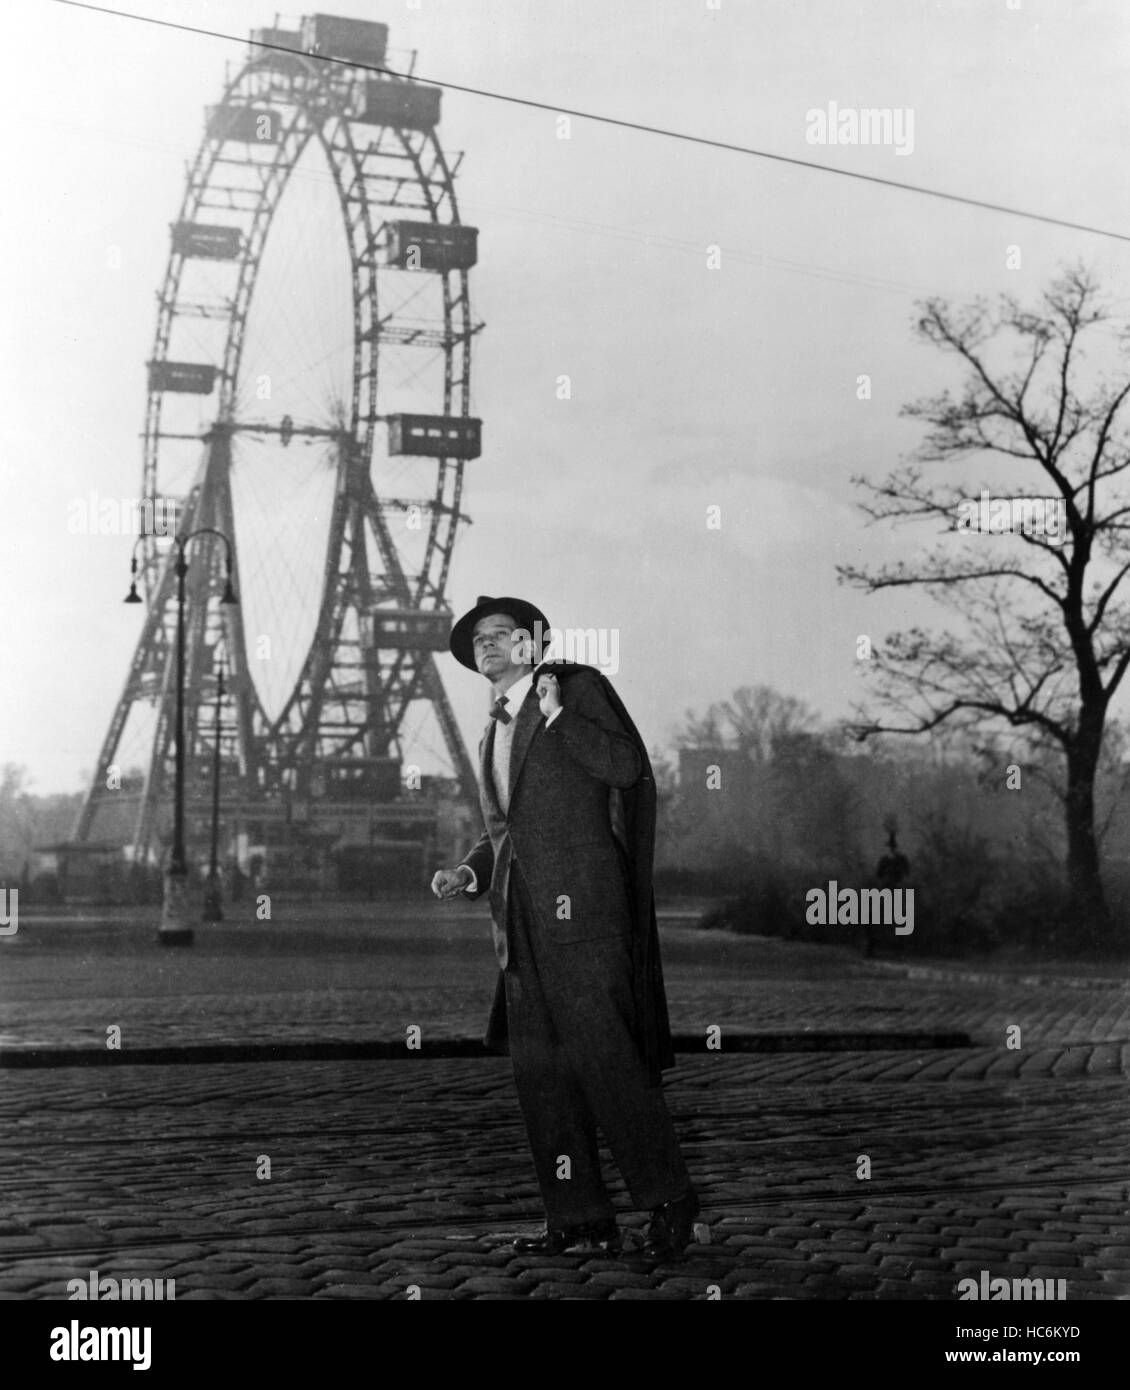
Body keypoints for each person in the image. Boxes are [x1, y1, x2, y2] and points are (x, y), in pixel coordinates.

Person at [431, 595, 699, 1258]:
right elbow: (508, 830)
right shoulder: (491, 727)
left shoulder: (575, 689)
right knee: (542, 1077)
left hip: (585, 913)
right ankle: (579, 1218)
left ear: (533, 644)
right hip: (519, 922)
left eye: (505, 633)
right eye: (480, 638)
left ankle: (669, 1199)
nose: (490, 643)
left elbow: (626, 767)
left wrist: (558, 719)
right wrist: (469, 872)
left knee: (608, 1059)